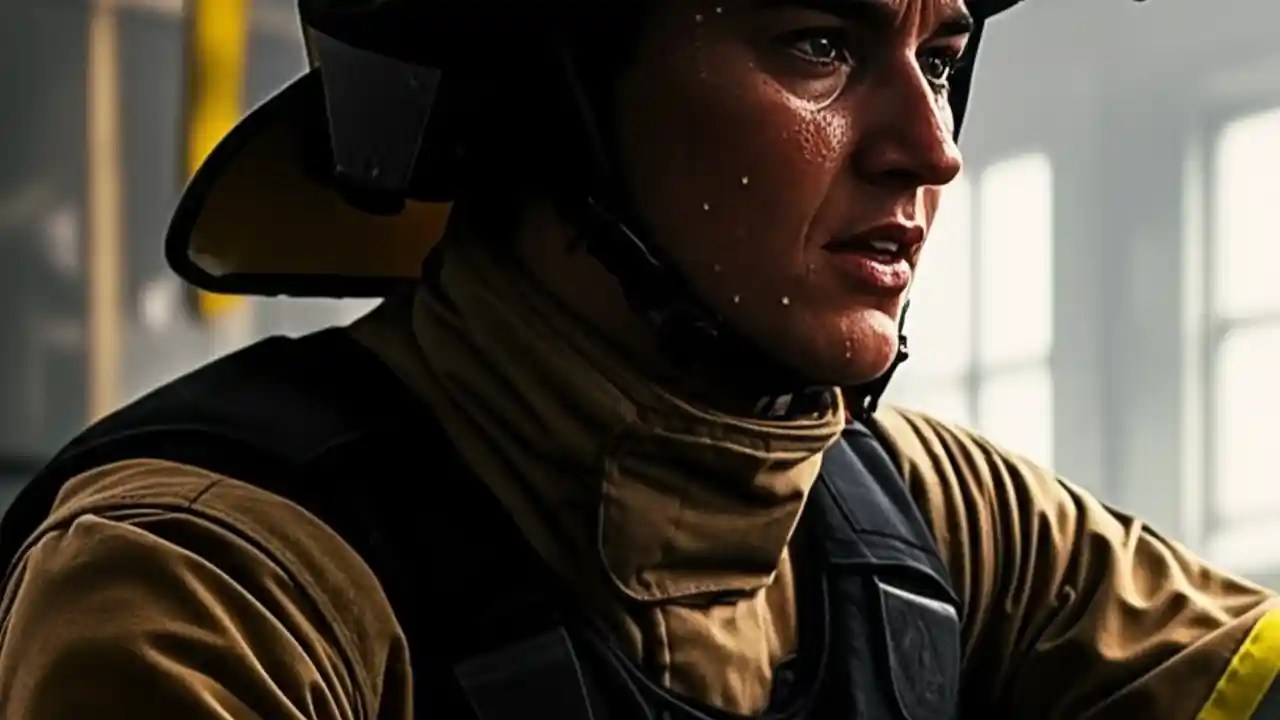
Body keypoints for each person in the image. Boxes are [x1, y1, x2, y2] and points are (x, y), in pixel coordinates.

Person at [0, 0, 1277, 718]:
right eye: (817, 45)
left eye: (937, 60)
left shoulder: (935, 521)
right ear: (545, 96)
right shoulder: (216, 584)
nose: (928, 146)